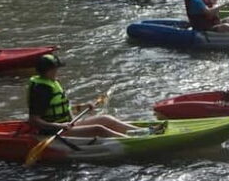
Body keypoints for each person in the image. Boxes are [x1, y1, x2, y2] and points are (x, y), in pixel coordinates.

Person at [27, 54, 160, 138]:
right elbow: (34, 120)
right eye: (56, 69)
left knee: (106, 119)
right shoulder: (42, 90)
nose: (58, 71)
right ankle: (133, 140)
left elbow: (61, 108)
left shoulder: (51, 82)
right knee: (99, 129)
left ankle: (146, 131)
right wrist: (59, 127)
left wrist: (82, 107)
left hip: (67, 125)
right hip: (53, 131)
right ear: (49, 70)